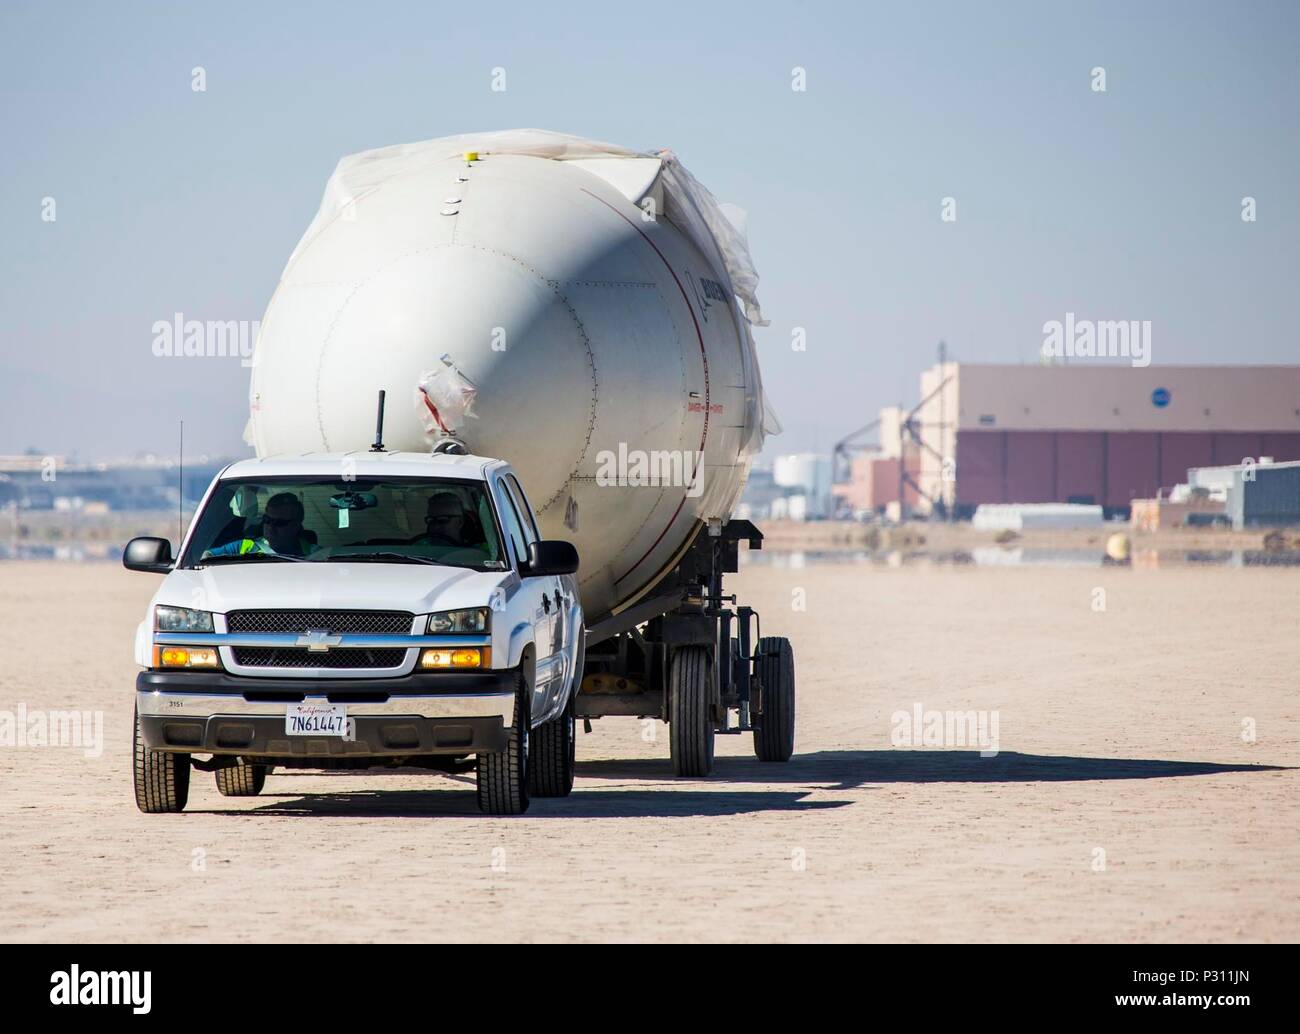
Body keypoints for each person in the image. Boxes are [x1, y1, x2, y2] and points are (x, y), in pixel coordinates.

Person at [202, 492, 318, 558]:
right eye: (267, 520)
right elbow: (207, 556)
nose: (270, 527)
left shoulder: (317, 555)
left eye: (280, 523)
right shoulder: (245, 547)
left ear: (296, 525)